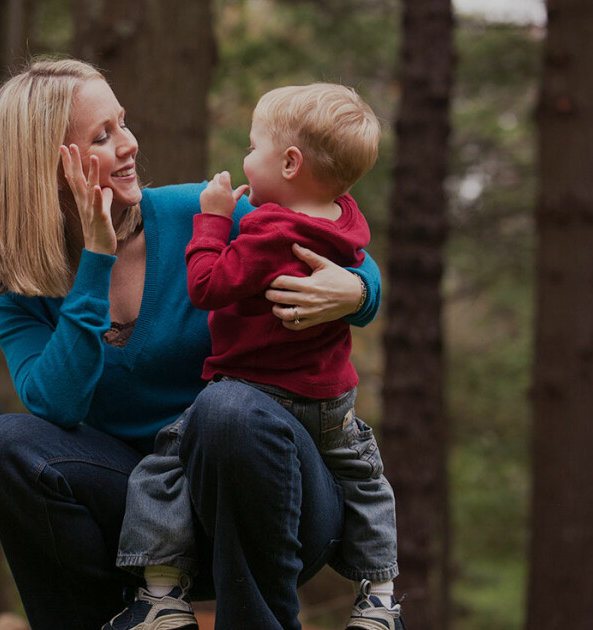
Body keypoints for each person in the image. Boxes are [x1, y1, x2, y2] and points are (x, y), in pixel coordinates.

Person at [0, 58, 381, 630]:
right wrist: (95, 263)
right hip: (149, 522)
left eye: (123, 122)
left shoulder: (202, 215)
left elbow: (332, 239)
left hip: (277, 503)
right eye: (102, 136)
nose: (129, 144)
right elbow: (58, 405)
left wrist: (359, 292)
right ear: (48, 166)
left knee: (227, 408)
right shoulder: (18, 295)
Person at [108, 83, 403, 630]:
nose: (245, 158)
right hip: (331, 400)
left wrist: (214, 221)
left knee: (163, 467)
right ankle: (379, 601)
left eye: (252, 147)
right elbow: (364, 264)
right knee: (365, 478)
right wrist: (359, 287)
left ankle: (161, 592)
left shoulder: (268, 231)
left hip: (261, 397)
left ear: (289, 163)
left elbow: (208, 284)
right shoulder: (345, 220)